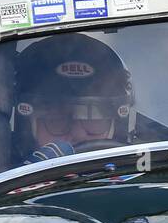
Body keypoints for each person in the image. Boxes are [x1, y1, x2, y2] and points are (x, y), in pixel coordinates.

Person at [12, 33, 136, 163]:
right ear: (27, 125)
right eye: (58, 118)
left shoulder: (144, 171)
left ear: (115, 124)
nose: (79, 134)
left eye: (93, 118)